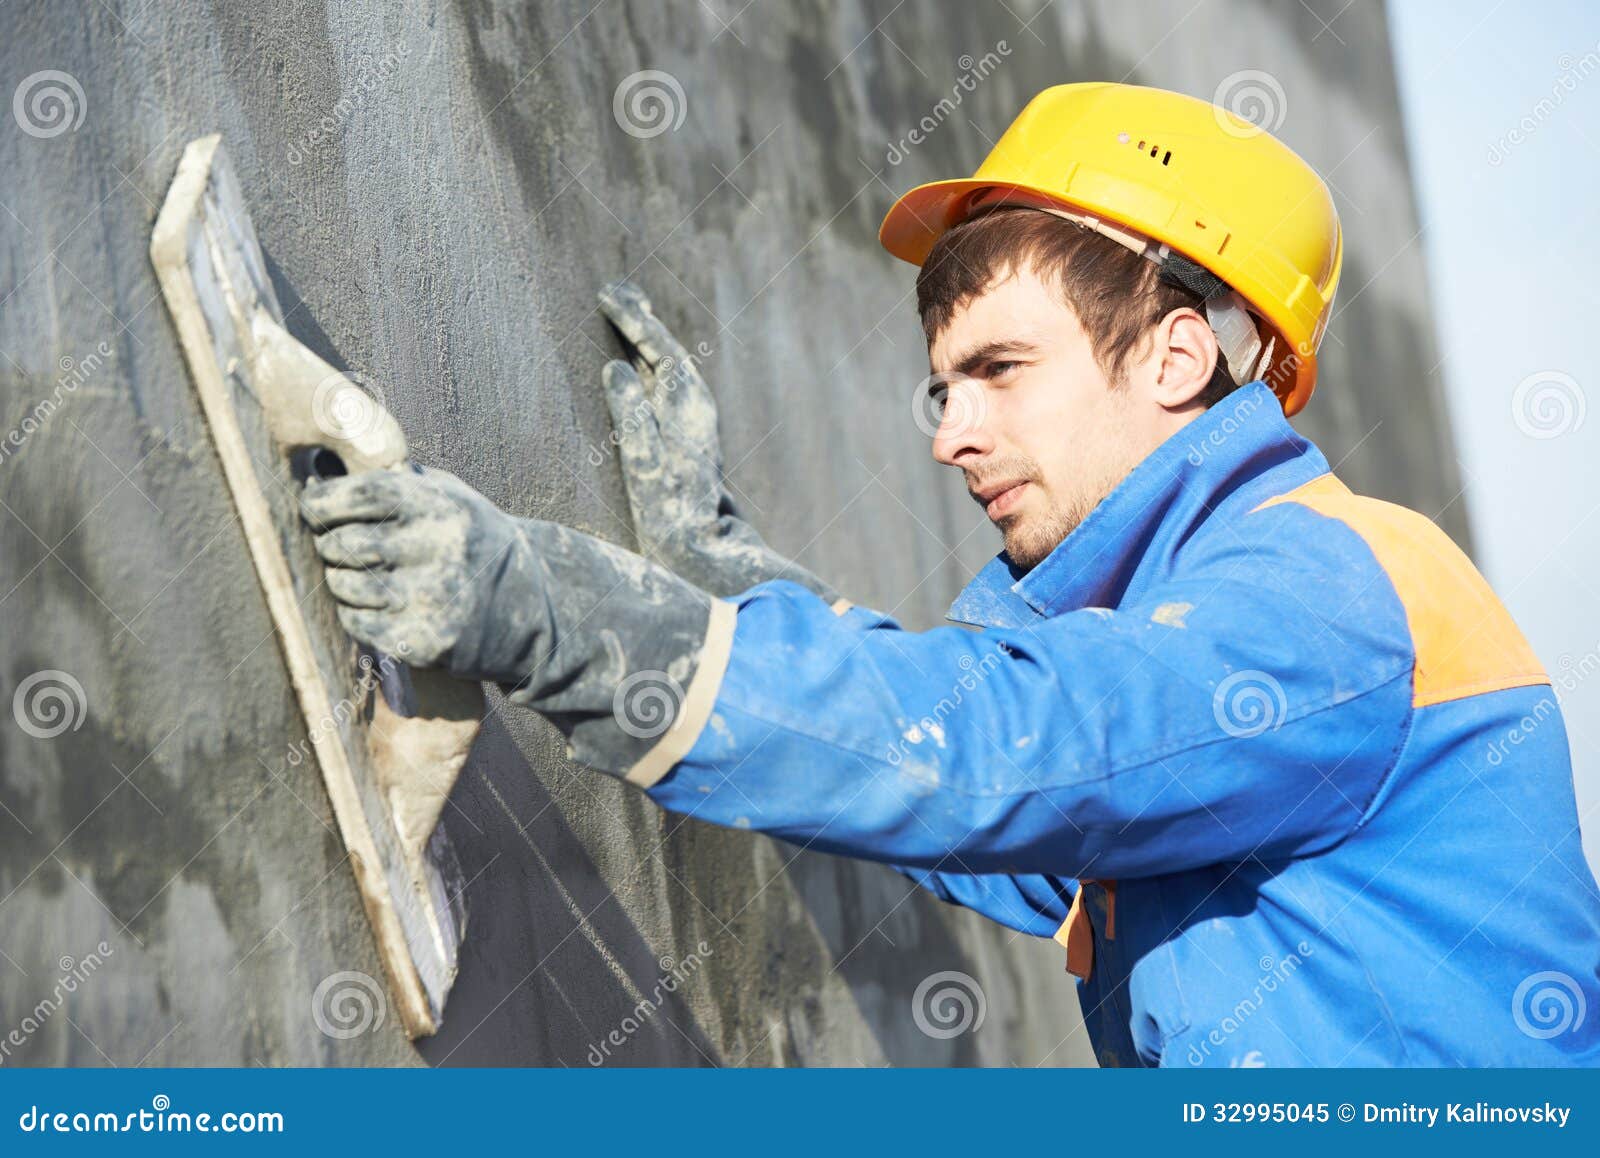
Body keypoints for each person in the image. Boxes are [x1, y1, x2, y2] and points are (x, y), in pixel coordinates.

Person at [297, 83, 1600, 1067]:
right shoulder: (1191, 625)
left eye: (1001, 371)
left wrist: (560, 617)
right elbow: (1007, 815)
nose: (947, 433)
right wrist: (726, 574)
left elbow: (1003, 749)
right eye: (942, 383)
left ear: (1175, 356)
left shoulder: (1330, 587)